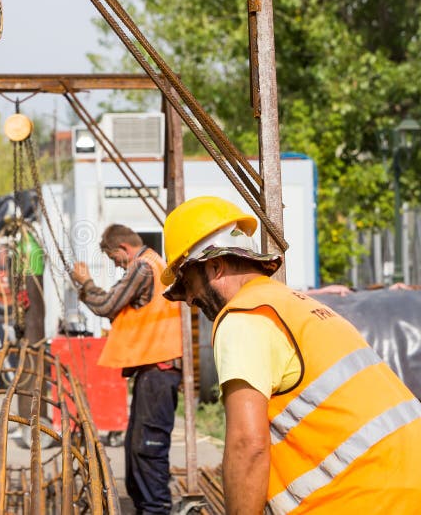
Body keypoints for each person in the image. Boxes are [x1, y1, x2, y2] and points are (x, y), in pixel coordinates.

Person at [160, 195, 421, 513]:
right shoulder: (295, 304)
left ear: (214, 266)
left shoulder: (244, 317)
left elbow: (247, 446)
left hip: (362, 498)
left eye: (188, 284)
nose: (189, 300)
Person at [70, 224, 183, 515]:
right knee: (137, 449)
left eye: (114, 259)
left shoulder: (142, 268)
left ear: (122, 249)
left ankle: (155, 510)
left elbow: (107, 304)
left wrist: (85, 284)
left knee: (148, 448)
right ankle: (147, 507)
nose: (117, 265)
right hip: (154, 371)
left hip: (159, 370)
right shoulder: (154, 264)